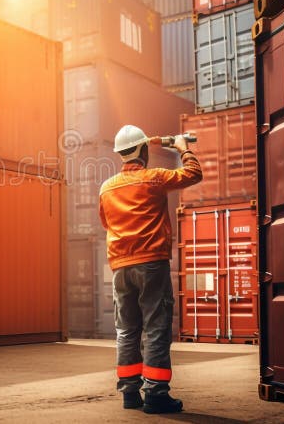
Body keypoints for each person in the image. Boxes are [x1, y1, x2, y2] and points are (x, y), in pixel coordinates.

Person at [98, 124, 202, 414]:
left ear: (121, 154)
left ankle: (130, 393)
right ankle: (156, 395)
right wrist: (183, 148)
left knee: (127, 329)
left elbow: (106, 223)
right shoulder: (154, 178)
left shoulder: (106, 187)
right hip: (151, 263)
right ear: (143, 150)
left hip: (119, 265)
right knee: (156, 327)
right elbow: (194, 174)